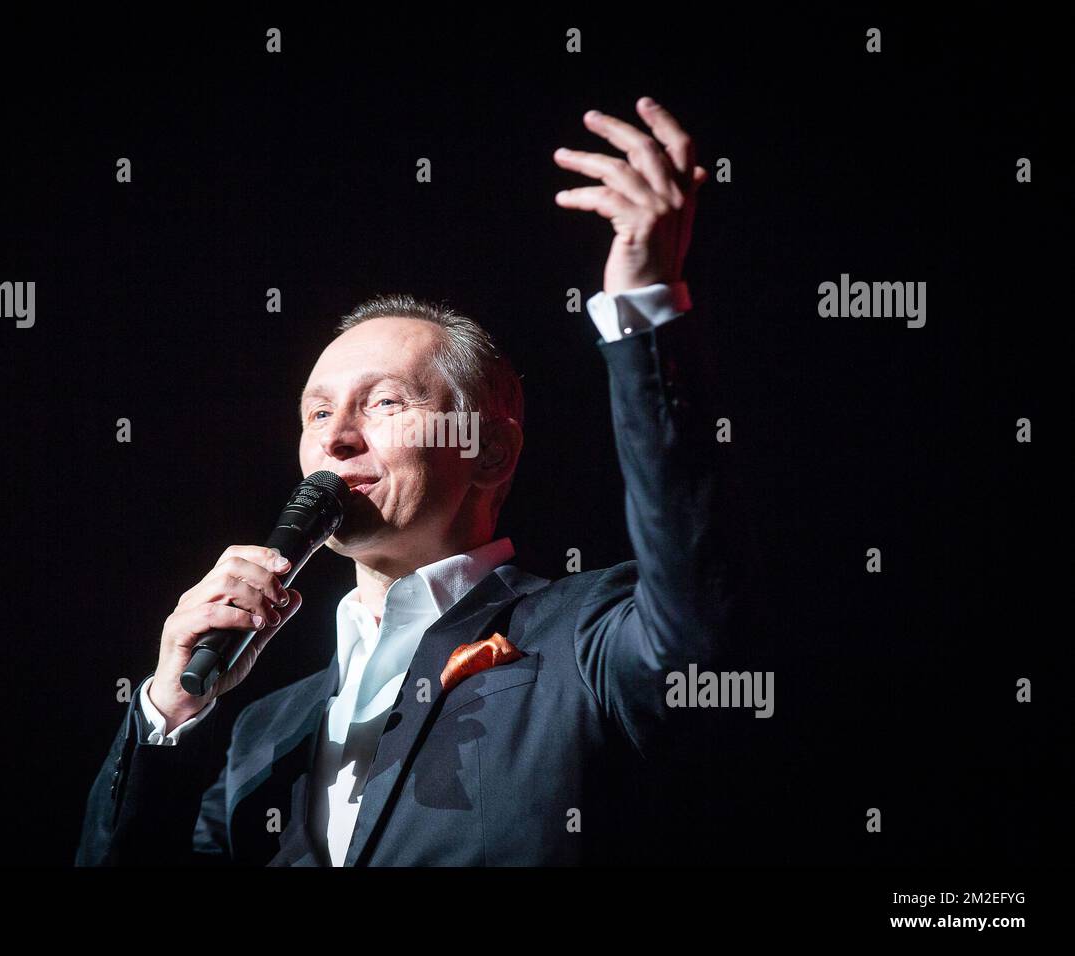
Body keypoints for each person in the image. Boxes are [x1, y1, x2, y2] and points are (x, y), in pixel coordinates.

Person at [76, 95, 744, 865]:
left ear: (489, 453)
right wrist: (169, 710)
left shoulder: (583, 635)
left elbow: (700, 620)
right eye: (317, 413)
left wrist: (643, 306)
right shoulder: (268, 730)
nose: (337, 435)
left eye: (385, 402)